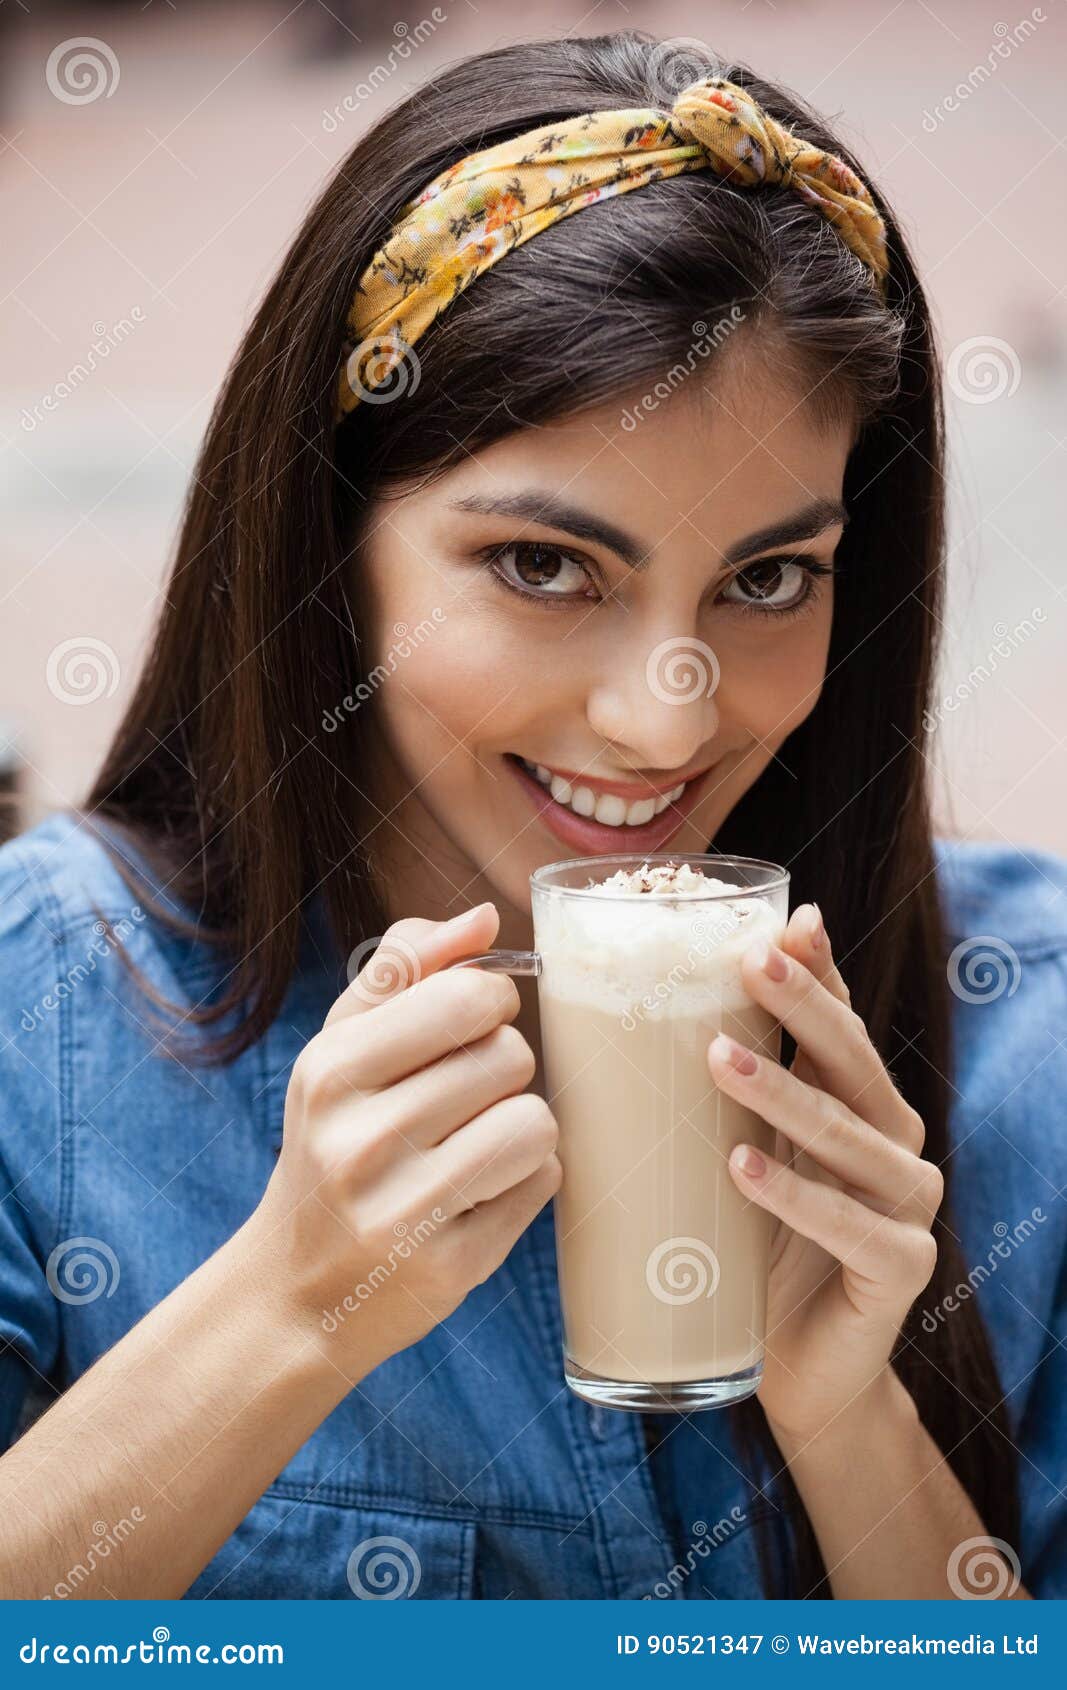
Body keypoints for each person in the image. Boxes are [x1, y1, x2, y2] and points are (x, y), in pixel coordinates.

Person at [1, 32, 1063, 1601]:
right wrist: (286, 1310)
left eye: (771, 576)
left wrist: (853, 1419)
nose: (668, 720)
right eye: (545, 566)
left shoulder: (1027, 1032)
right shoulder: (49, 1016)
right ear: (329, 543)